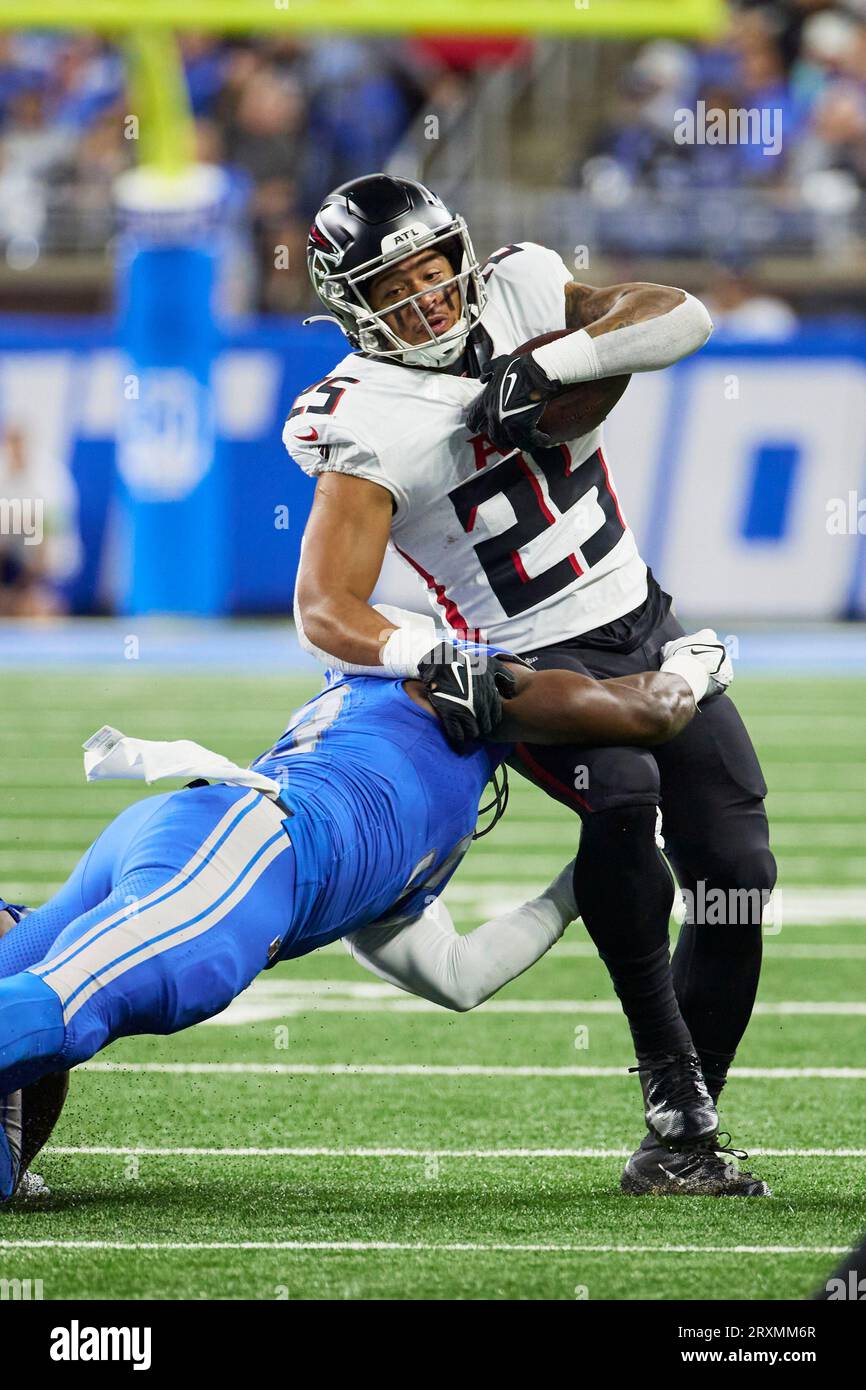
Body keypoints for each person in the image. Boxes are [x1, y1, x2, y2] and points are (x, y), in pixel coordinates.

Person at [288, 174, 776, 1197]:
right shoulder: (363, 416)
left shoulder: (519, 291)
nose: (425, 299)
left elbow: (676, 316)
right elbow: (326, 606)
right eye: (394, 284)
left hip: (642, 619)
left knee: (736, 871)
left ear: (460, 255)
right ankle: (674, 1107)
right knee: (626, 804)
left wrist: (551, 360)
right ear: (348, 303)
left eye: (432, 271)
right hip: (533, 661)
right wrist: (427, 658)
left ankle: (688, 1127)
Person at [0, 629, 733, 1202]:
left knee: (27, 968)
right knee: (62, 1009)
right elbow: (640, 712)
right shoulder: (457, 679)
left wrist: (584, 884)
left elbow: (459, 976)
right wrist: (694, 668)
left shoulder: (399, 835)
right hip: (242, 860)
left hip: (190, 828)